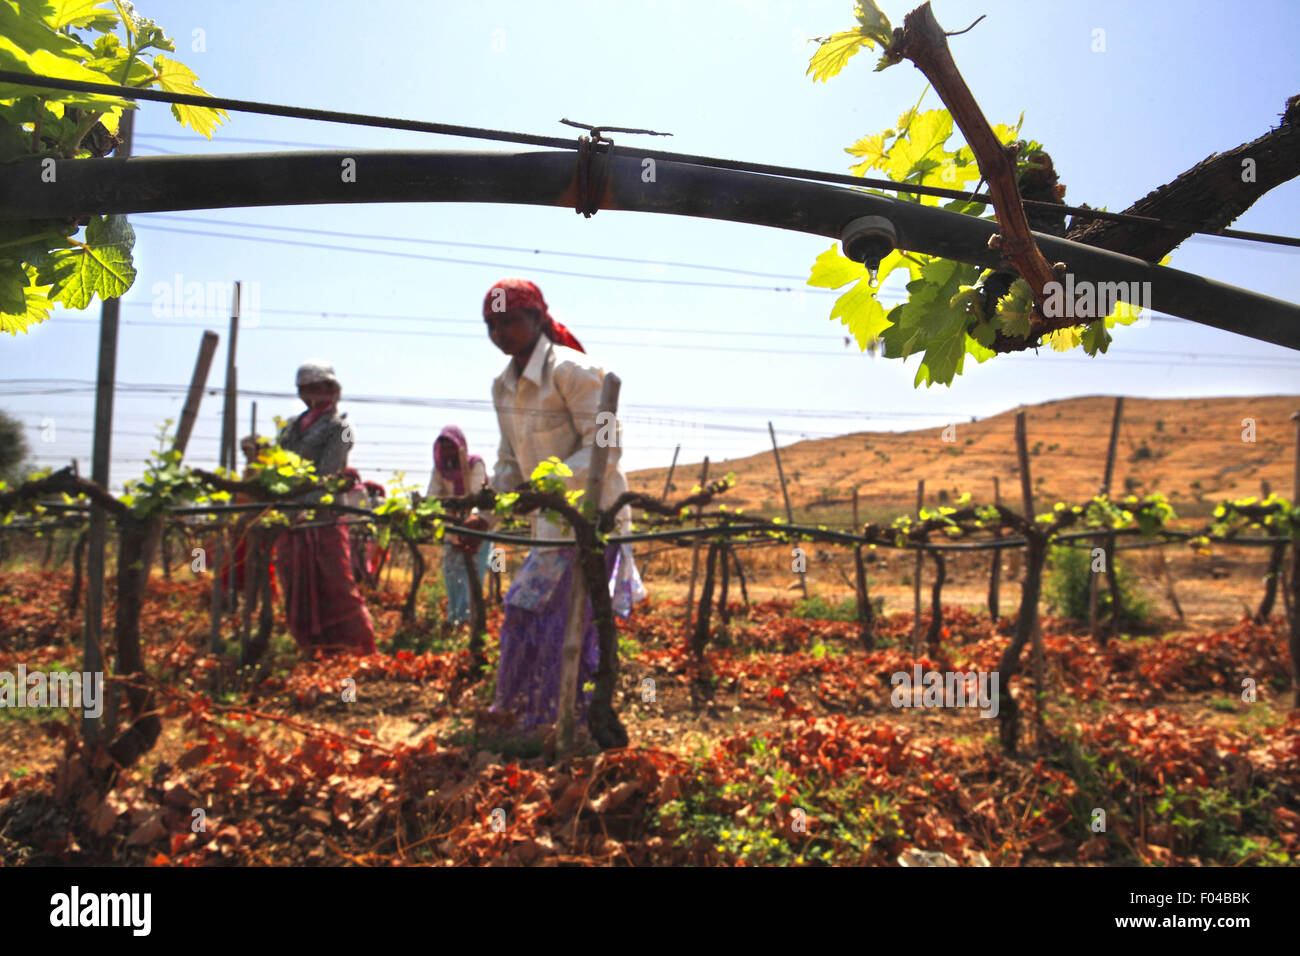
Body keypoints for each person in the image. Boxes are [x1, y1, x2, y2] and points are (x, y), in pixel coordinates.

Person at [477, 278, 644, 735]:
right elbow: (509, 459)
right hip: (549, 529)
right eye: (491, 325)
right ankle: (526, 711)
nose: (500, 333)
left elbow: (606, 446)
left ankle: (556, 716)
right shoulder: (503, 387)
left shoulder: (575, 372)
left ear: (536, 318)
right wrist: (491, 505)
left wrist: (547, 483)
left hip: (593, 521)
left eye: (509, 321)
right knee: (528, 611)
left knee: (560, 621)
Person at [274, 360, 377, 656]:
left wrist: (307, 505)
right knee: (296, 583)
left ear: (332, 390)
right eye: (306, 389)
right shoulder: (290, 428)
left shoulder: (340, 428)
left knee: (335, 584)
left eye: (320, 388)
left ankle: (356, 649)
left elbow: (330, 472)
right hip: (291, 519)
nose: (313, 394)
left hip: (324, 517)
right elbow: (278, 467)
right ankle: (311, 647)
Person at [427, 425, 491, 626]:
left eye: (450, 446)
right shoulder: (440, 470)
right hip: (451, 527)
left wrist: (468, 517)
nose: (447, 452)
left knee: (472, 571)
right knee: (451, 570)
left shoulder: (474, 464)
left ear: (460, 445)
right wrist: (429, 512)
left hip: (476, 526)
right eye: (443, 448)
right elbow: (433, 495)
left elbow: (476, 497)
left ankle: (468, 619)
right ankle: (453, 617)